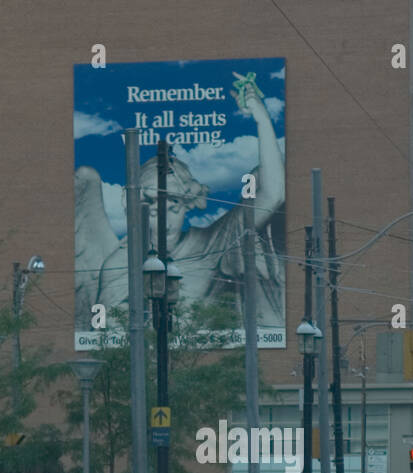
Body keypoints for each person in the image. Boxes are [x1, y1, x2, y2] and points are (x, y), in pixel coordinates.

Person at [74, 71, 285, 336]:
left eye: (172, 200)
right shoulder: (121, 262)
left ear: (188, 203)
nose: (161, 210)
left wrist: (261, 118)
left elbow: (273, 193)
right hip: (143, 369)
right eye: (150, 201)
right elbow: (108, 331)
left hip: (210, 365)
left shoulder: (213, 243)